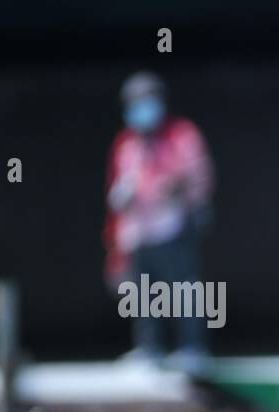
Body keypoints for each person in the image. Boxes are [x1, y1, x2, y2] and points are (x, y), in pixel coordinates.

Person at [103, 71, 214, 372]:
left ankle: (192, 349)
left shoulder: (182, 135)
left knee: (183, 290)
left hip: (173, 228)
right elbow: (117, 190)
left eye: (147, 101)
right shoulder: (125, 143)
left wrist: (179, 189)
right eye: (136, 103)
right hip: (138, 233)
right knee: (142, 295)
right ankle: (149, 350)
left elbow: (199, 179)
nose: (142, 109)